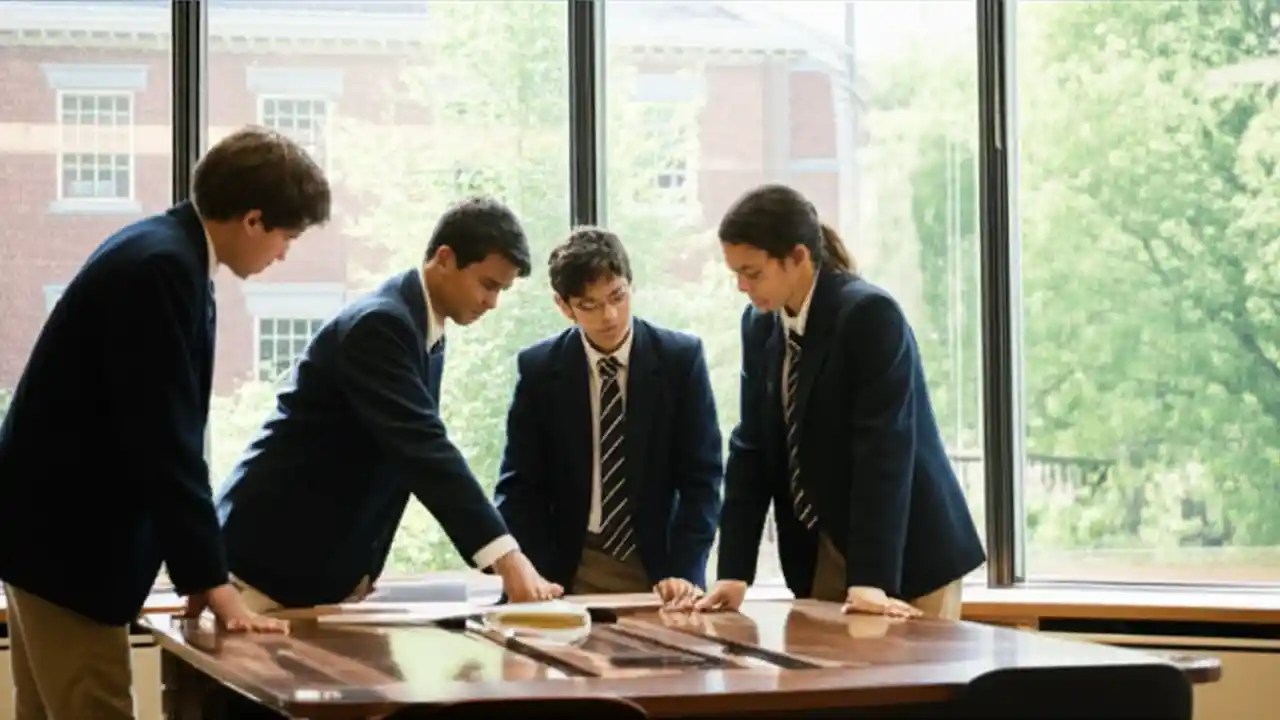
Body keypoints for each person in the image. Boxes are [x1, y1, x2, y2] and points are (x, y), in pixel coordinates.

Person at [0, 125, 330, 719]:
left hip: (39, 536)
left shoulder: (163, 250)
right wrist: (213, 579)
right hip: (71, 547)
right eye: (287, 236)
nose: (284, 253)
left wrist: (201, 574)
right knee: (94, 708)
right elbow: (166, 441)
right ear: (253, 219)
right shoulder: (162, 268)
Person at [215, 196, 562, 612]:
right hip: (264, 566)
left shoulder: (424, 328)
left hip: (307, 577)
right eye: (488, 284)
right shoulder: (381, 324)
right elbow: (424, 450)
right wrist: (509, 560)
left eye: (501, 290)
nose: (492, 303)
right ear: (445, 258)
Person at [695, 184, 985, 620]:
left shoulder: (868, 315)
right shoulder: (760, 325)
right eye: (735, 273)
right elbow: (751, 448)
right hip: (819, 552)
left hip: (906, 553)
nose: (741, 286)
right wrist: (734, 570)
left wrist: (872, 579)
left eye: (752, 273)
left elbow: (882, 452)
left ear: (797, 258)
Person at [494, 227, 723, 607]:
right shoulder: (539, 369)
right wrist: (531, 573)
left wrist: (685, 569)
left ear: (630, 284)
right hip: (565, 568)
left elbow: (702, 480)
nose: (610, 315)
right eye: (590, 304)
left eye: (618, 296)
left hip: (658, 569)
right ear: (564, 306)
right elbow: (520, 487)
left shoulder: (680, 359)